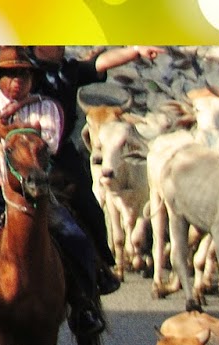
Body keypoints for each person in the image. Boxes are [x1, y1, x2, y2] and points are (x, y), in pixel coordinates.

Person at [0, 46, 112, 336]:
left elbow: (47, 144)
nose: (17, 81)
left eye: (24, 75)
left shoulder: (47, 107)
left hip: (32, 193)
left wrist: (5, 131)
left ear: (32, 79)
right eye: (10, 74)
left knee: (74, 236)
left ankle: (84, 303)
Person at [30, 45, 161, 282]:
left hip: (59, 152)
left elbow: (100, 63)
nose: (60, 45)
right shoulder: (23, 69)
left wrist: (135, 51)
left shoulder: (67, 70)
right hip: (22, 152)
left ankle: (102, 266)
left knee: (90, 207)